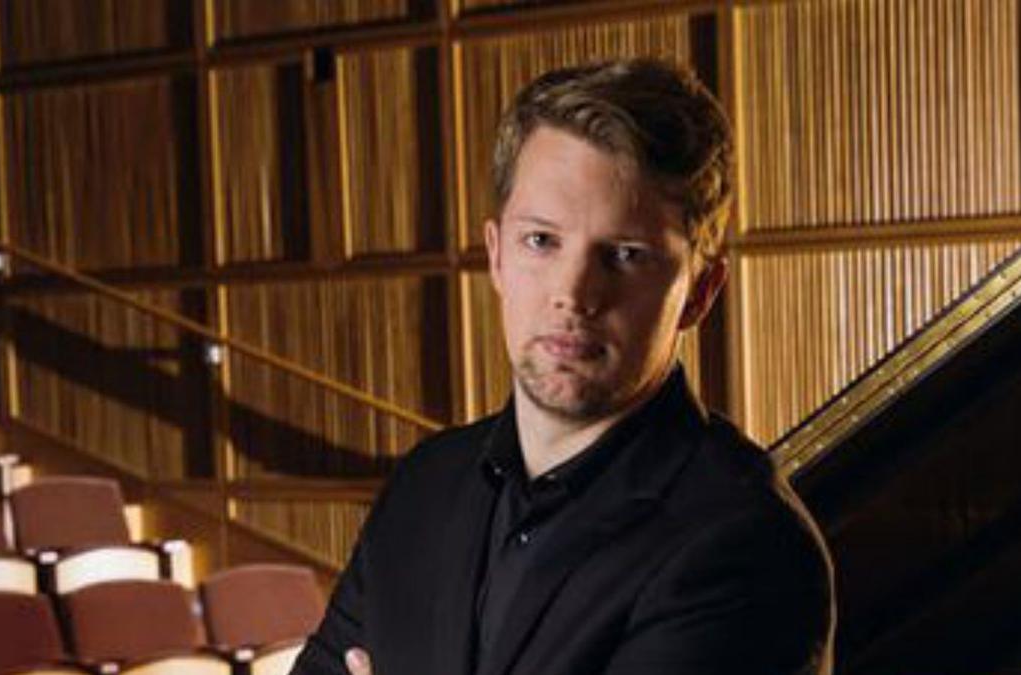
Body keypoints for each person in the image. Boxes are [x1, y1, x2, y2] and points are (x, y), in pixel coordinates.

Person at [291, 57, 835, 675]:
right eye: (542, 241)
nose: (573, 294)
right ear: (496, 256)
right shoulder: (425, 485)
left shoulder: (746, 545)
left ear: (700, 291)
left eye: (625, 255)